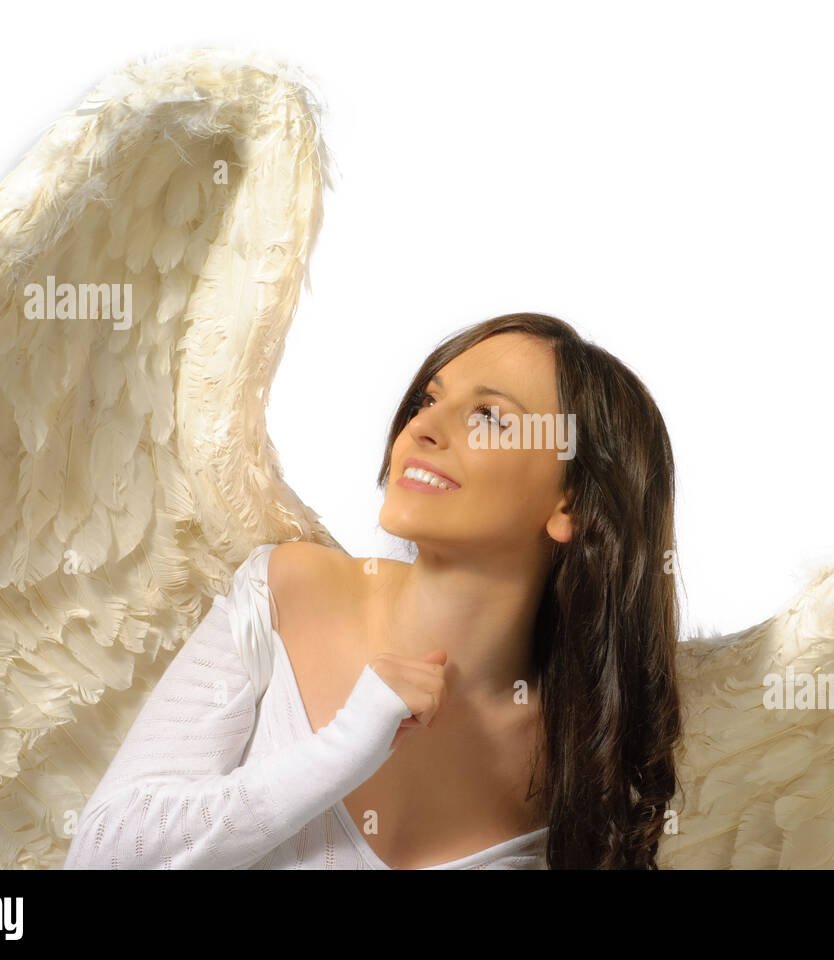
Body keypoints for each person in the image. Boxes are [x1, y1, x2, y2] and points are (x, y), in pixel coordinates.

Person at [63, 312, 683, 869]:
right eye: (428, 398)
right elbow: (99, 857)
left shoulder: (583, 762)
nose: (423, 428)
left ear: (570, 502)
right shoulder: (288, 592)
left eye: (490, 416)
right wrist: (338, 753)